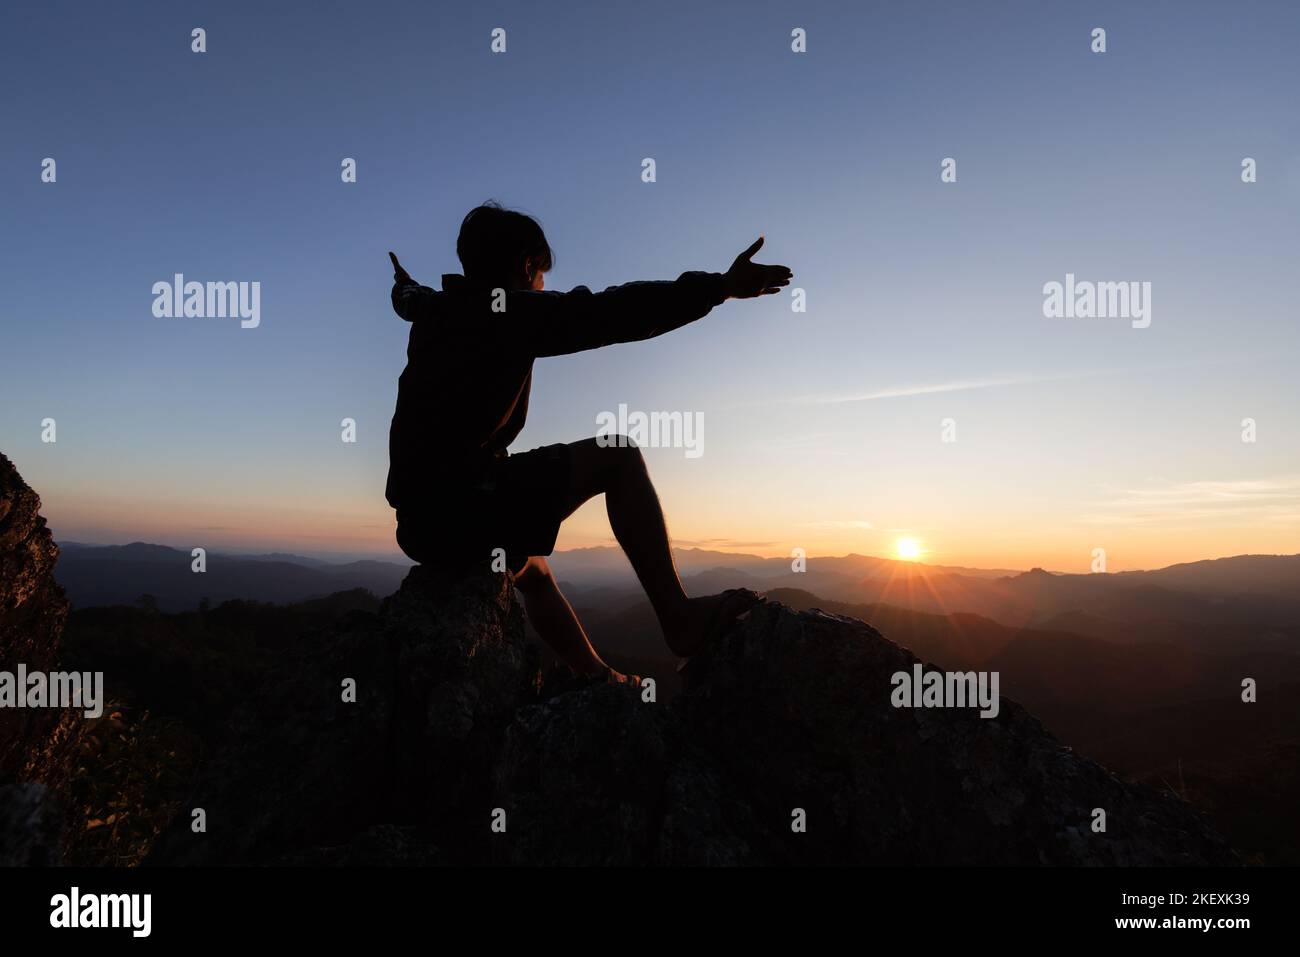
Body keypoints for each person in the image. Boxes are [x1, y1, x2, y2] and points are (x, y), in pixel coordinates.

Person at [386, 202, 792, 684]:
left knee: (533, 570)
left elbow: (408, 298)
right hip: (464, 501)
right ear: (526, 266)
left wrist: (402, 283)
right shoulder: (508, 313)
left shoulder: (436, 308)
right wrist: (720, 287)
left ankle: (600, 677)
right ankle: (679, 620)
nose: (542, 288)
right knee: (618, 457)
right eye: (540, 276)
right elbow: (613, 311)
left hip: (420, 520)